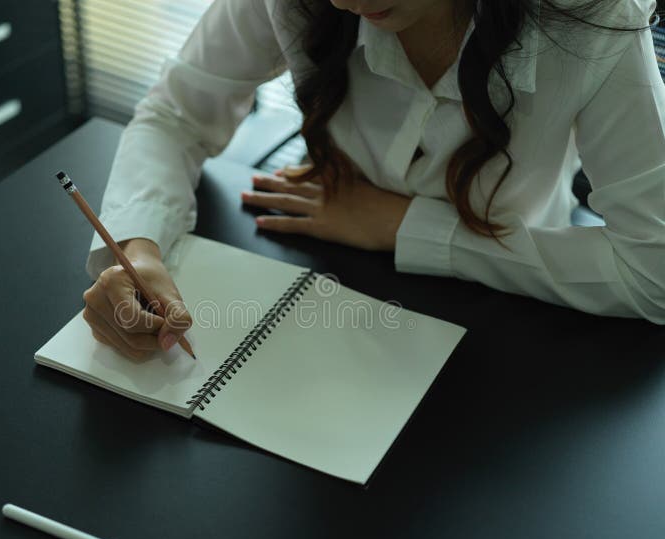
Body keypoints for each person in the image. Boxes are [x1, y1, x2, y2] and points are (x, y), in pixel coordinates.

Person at [81, 0, 665, 361]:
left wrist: (403, 225)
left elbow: (653, 271)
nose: (345, 1)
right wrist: (138, 247)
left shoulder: (592, 18)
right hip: (327, 284)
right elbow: (175, 116)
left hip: (517, 306)